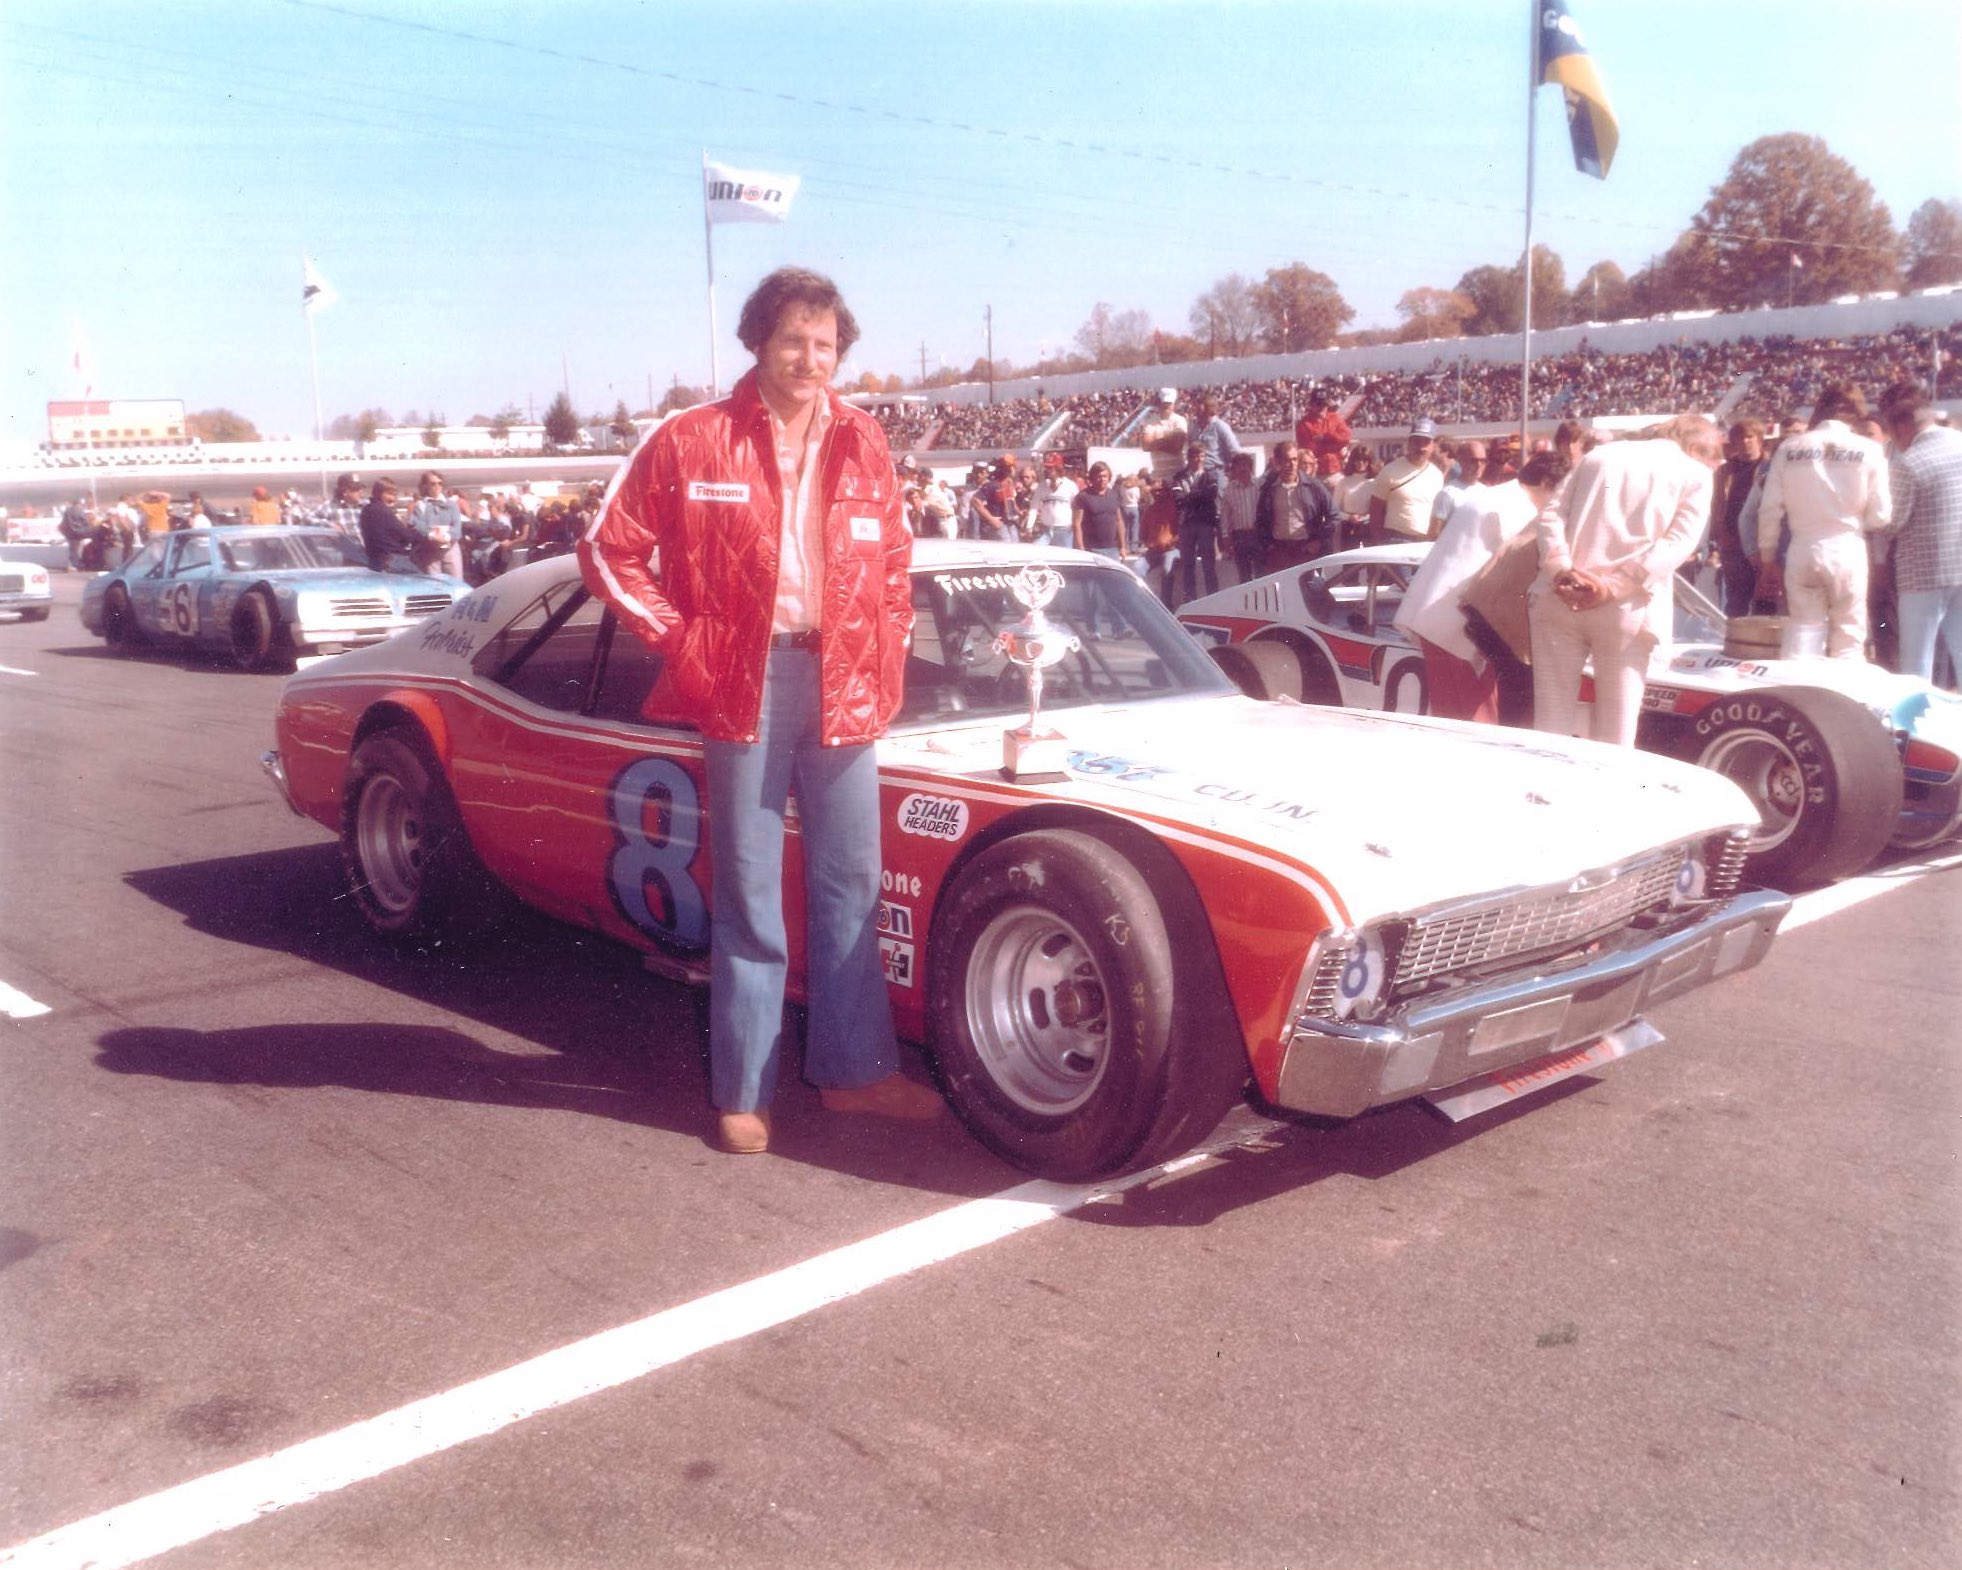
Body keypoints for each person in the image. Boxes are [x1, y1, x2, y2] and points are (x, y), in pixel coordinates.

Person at [579, 265, 938, 1156]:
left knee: (852, 882)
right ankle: (742, 1090)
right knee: (747, 887)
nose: (809, 358)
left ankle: (856, 1074)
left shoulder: (866, 439)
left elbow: (893, 567)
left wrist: (885, 661)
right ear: (757, 342)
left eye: (825, 344)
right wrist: (683, 640)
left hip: (843, 681)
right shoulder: (692, 438)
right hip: (743, 682)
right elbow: (607, 551)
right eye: (792, 340)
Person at [1529, 417, 1723, 747]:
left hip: (1560, 594)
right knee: (1617, 729)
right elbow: (1677, 544)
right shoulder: (1696, 474)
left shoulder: (1600, 456)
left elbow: (1549, 516)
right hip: (1627, 609)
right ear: (1695, 448)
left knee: (1550, 720)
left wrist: (1561, 568)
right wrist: (1613, 587)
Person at [1396, 450, 1571, 723]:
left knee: (1453, 721)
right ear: (1547, 483)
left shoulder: (1494, 495)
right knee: (1476, 726)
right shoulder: (1518, 509)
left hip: (1438, 620)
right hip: (1457, 627)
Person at [1754, 383, 1890, 659]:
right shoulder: (1869, 450)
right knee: (1849, 638)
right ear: (1856, 413)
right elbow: (1881, 516)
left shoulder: (1789, 448)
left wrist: (1768, 558)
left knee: (1804, 637)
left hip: (1802, 549)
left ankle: (1802, 696)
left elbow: (1768, 510)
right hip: (1847, 548)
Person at [1880, 385, 1962, 685]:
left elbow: (1891, 522)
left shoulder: (1909, 462)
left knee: (1917, 665)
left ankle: (1914, 730)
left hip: (1921, 576)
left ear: (1900, 428)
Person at [1708, 420, 1768, 616]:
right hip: (1733, 544)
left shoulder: (1770, 468)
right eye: (1739, 438)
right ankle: (1735, 643)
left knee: (1764, 601)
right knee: (1736, 602)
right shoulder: (1725, 471)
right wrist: (1715, 542)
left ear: (1759, 439)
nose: (1745, 441)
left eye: (1749, 436)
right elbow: (1717, 506)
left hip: (1763, 543)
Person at [1255, 440, 1334, 573]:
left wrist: (1319, 541)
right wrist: (1267, 545)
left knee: (1308, 592)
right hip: (1278, 551)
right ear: (1277, 462)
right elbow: (1260, 519)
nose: (1292, 465)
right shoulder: (1268, 488)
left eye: (1295, 459)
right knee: (1280, 592)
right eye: (1287, 460)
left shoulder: (1313, 486)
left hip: (1306, 550)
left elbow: (1333, 515)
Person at [1368, 419, 1446, 543]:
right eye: (1417, 441)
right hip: (1395, 539)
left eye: (1426, 442)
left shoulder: (1437, 475)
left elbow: (1438, 513)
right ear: (1409, 442)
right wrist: (1380, 542)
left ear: (1433, 446)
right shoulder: (1389, 470)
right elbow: (1375, 510)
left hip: (1424, 542)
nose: (1420, 447)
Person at [1168, 441, 1220, 606]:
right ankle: (1191, 602)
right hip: (1186, 525)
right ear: (1188, 457)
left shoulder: (1210, 475)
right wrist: (1199, 495)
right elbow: (1178, 500)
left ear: (1204, 457)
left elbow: (1211, 494)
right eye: (1195, 455)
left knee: (1208, 565)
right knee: (1188, 565)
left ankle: (1214, 601)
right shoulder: (1179, 477)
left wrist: (1189, 495)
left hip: (1205, 524)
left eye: (1201, 455)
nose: (1198, 459)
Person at [408, 470, 465, 577]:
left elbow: (457, 526)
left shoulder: (451, 504)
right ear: (425, 486)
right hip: (430, 551)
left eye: (440, 483)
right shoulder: (421, 505)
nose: (437, 486)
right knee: (435, 585)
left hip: (450, 549)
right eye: (433, 484)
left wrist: (447, 537)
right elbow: (416, 525)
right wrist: (432, 536)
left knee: (456, 582)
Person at [1217, 452, 1261, 584]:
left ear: (1251, 468)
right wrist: (1225, 536)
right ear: (1234, 470)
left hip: (1258, 534)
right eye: (1238, 466)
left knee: (1261, 572)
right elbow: (1225, 515)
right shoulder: (1229, 489)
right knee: (1244, 575)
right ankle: (1249, 604)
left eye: (1245, 465)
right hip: (1240, 536)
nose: (1242, 469)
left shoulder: (1260, 486)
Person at [1293, 388, 1352, 481]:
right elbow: (1307, 450)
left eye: (1325, 404)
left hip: (1335, 470)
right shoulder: (1303, 424)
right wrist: (1334, 443)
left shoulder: (1335, 418)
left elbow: (1346, 438)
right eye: (1318, 404)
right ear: (1311, 405)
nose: (1322, 407)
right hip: (1315, 473)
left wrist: (1327, 437)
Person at [358, 478, 415, 571]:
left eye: (394, 495)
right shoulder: (383, 511)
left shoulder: (366, 510)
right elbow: (406, 536)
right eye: (389, 494)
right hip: (391, 561)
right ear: (379, 493)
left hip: (373, 561)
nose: (393, 498)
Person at [1136, 387, 1188, 484]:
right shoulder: (1150, 421)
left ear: (1174, 404)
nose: (1166, 406)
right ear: (1159, 403)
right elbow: (1146, 446)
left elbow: (1177, 446)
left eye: (1169, 403)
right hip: (1158, 475)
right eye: (1164, 403)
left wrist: (1156, 442)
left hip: (1177, 474)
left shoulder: (1180, 420)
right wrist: (1169, 440)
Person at [1033, 453, 1078, 548]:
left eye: (1051, 468)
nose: (1048, 470)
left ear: (1059, 468)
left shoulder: (1071, 486)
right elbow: (1034, 507)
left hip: (1065, 530)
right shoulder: (1042, 486)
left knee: (1064, 559)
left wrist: (1075, 527)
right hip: (1046, 530)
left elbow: (1077, 510)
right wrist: (1029, 526)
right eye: (1047, 468)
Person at [313, 473, 365, 540]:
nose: (360, 491)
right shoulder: (330, 506)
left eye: (360, 488)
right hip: (347, 548)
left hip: (368, 549)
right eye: (356, 489)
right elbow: (308, 518)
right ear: (344, 491)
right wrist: (330, 525)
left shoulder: (366, 506)